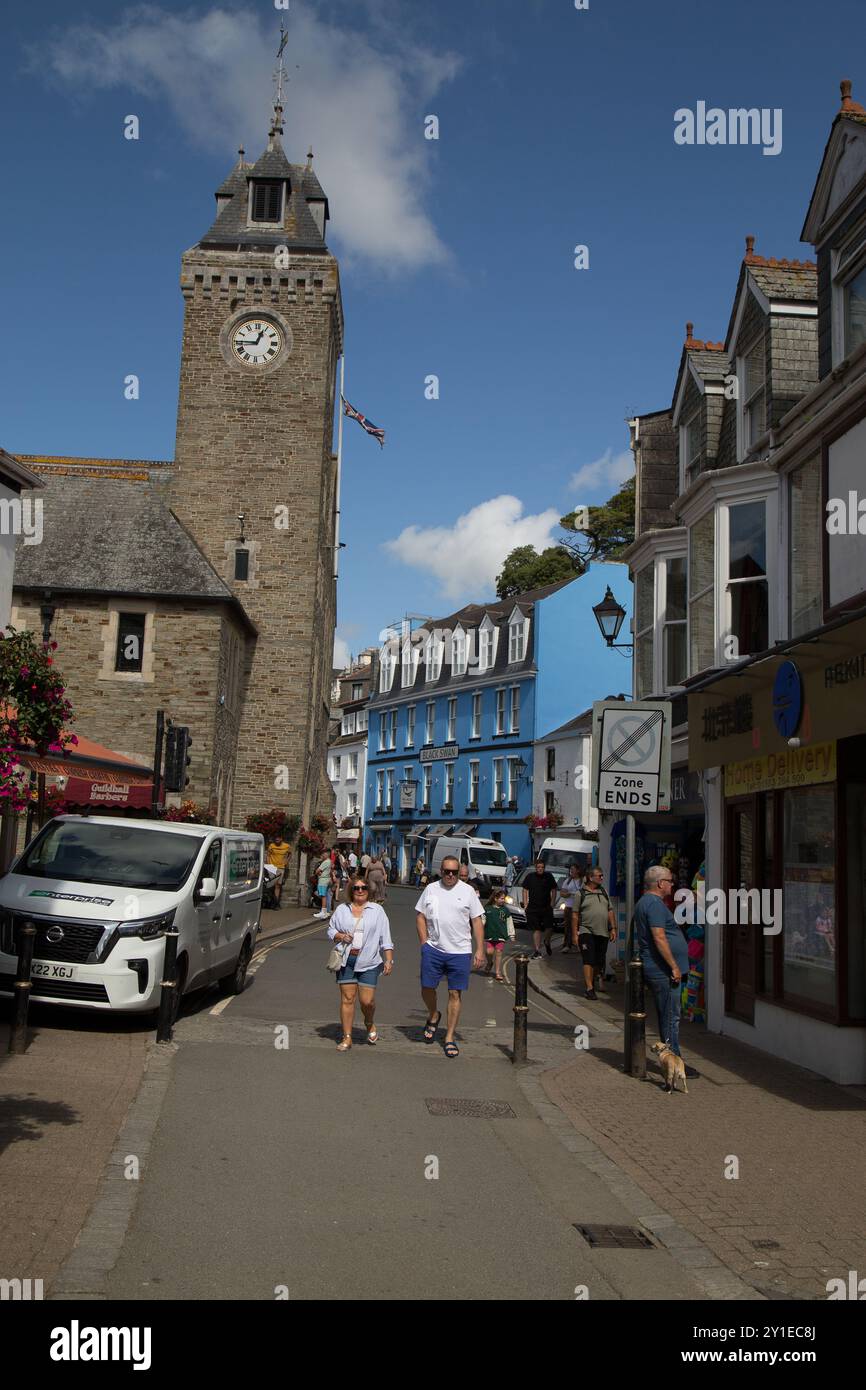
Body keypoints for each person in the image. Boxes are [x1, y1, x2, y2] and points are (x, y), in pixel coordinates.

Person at [415, 855, 485, 1058]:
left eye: (455, 872)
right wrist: (424, 942)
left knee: (455, 994)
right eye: (447, 871)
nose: (451, 875)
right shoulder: (431, 889)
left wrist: (480, 949)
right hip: (434, 949)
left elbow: (477, 921)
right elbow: (420, 916)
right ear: (441, 871)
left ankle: (449, 1037)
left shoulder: (468, 891)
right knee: (427, 988)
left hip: (460, 951)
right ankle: (433, 1014)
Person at [327, 877, 394, 1050]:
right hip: (346, 961)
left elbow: (385, 937)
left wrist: (388, 959)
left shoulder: (377, 910)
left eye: (363, 887)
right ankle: (347, 1037)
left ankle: (369, 1021)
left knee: (367, 1001)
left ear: (368, 890)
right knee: (348, 999)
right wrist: (341, 936)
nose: (360, 890)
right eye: (356, 888)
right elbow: (331, 929)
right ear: (351, 890)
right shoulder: (342, 909)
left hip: (369, 962)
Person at [634, 865, 689, 1058]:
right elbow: (659, 937)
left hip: (659, 968)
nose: (672, 884)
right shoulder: (654, 904)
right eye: (669, 881)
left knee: (669, 1015)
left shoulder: (646, 902)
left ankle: (673, 1057)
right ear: (660, 883)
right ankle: (674, 1059)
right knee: (670, 1017)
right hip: (662, 970)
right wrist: (674, 966)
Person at [573, 866, 616, 999]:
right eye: (599, 876)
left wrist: (613, 928)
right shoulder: (581, 893)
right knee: (588, 959)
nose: (602, 878)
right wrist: (575, 933)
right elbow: (574, 914)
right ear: (591, 877)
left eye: (602, 875)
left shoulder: (603, 892)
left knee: (598, 962)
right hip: (587, 931)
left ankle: (593, 978)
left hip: (602, 932)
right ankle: (589, 988)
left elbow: (610, 910)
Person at [522, 858, 559, 958]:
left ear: (544, 868)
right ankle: (537, 950)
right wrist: (525, 904)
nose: (540, 869)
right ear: (535, 868)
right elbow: (525, 889)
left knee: (549, 928)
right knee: (536, 929)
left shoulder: (549, 876)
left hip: (546, 907)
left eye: (542, 867)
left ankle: (547, 941)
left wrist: (552, 902)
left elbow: (554, 889)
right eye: (538, 867)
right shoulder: (530, 877)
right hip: (533, 908)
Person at [483, 887, 510, 981]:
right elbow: (482, 920)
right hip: (490, 935)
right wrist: (481, 926)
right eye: (502, 898)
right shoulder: (487, 909)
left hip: (501, 935)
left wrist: (511, 934)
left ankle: (498, 972)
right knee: (489, 952)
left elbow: (509, 922)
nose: (503, 900)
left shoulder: (505, 910)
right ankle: (490, 963)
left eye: (504, 898)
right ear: (495, 898)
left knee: (498, 953)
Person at [557, 862, 583, 953]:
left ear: (578, 870)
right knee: (568, 926)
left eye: (573, 869)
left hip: (579, 907)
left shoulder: (582, 881)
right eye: (570, 869)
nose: (571, 871)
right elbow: (562, 893)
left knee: (578, 927)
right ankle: (567, 945)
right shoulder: (567, 881)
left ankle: (578, 945)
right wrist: (567, 894)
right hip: (569, 907)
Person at [266, 833, 291, 909]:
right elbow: (268, 855)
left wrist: (286, 862)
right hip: (272, 867)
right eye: (275, 838)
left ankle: (276, 903)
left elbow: (290, 854)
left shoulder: (286, 846)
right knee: (271, 885)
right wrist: (268, 864)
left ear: (281, 839)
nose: (277, 839)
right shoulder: (271, 846)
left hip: (281, 868)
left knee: (278, 885)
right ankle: (272, 902)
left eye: (278, 838)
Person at [313, 854, 333, 919]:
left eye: (322, 855)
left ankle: (323, 911)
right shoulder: (329, 861)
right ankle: (326, 912)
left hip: (323, 880)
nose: (321, 857)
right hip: (327, 879)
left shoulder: (325, 862)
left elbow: (317, 871)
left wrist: (318, 873)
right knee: (326, 895)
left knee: (323, 896)